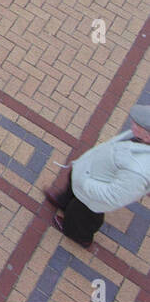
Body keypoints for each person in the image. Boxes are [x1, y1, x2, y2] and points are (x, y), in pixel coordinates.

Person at [45, 105, 150, 249]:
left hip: (92, 192)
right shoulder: (140, 138)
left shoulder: (139, 172)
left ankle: (80, 237)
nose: (132, 124)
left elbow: (112, 196)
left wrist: (84, 182)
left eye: (137, 125)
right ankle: (64, 203)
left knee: (82, 214)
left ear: (147, 136)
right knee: (73, 191)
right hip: (90, 173)